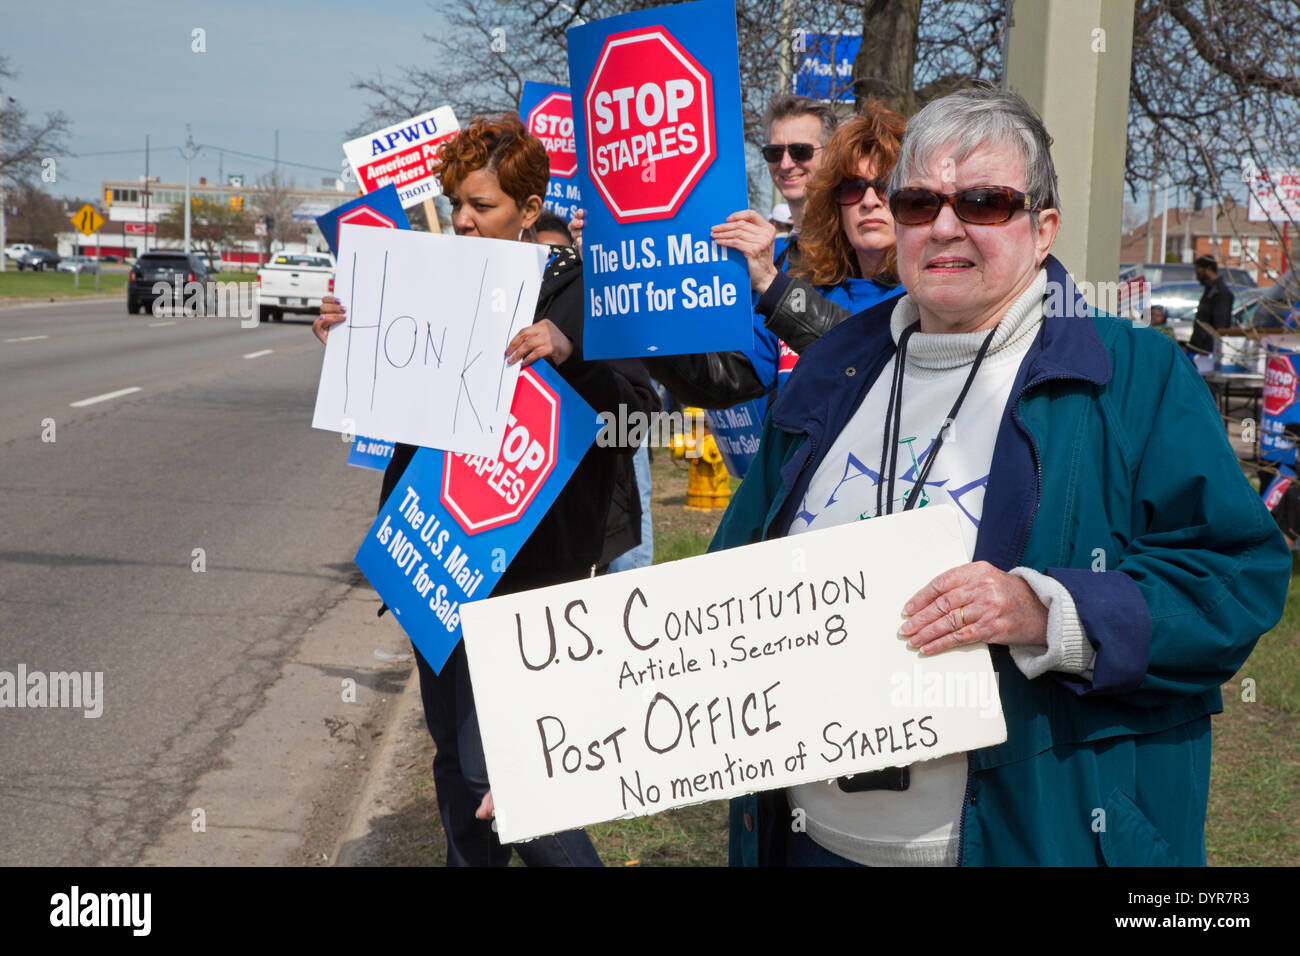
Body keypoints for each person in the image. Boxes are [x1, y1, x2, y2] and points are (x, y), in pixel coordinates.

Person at [713, 85, 1290, 866]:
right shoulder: (833, 367)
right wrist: (587, 743)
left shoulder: (1132, 378)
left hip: (1031, 840)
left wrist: (1046, 610)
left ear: (1043, 227)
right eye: (917, 202)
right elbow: (727, 588)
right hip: (812, 844)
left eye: (984, 202)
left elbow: (1234, 578)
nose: (945, 225)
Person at [314, 114, 657, 866]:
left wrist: (574, 357)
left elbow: (639, 418)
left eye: (483, 206)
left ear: (530, 209)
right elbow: (392, 406)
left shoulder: (588, 294)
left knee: (499, 772)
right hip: (433, 552)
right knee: (450, 759)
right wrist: (352, 337)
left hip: (528, 570)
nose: (464, 221)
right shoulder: (430, 278)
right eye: (457, 204)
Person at [1189, 254, 1234, 372]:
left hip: (1207, 352)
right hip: (1199, 349)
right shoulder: (1210, 290)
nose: (1197, 276)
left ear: (1208, 269)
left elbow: (1220, 325)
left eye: (1198, 272)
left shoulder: (1220, 292)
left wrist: (1208, 349)